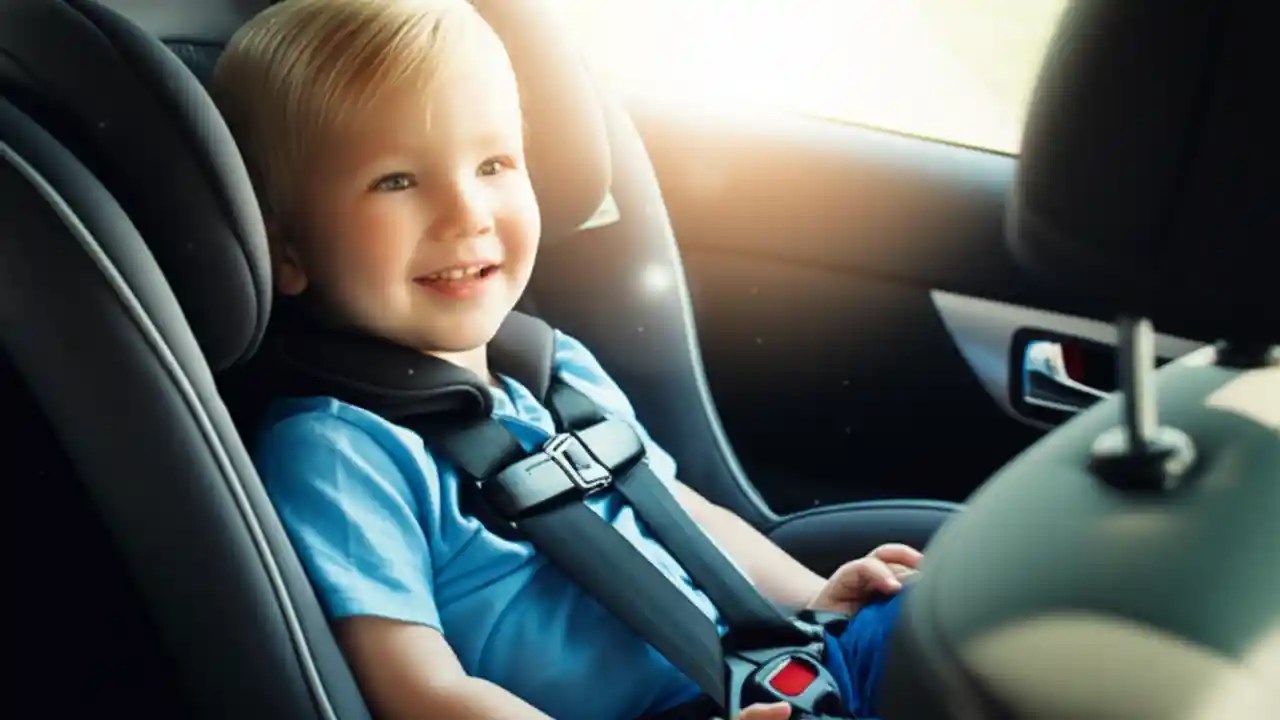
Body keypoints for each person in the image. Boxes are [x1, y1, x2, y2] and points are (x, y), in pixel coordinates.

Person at [211, 1, 921, 718]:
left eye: (493, 164)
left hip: (775, 671)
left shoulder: (558, 372)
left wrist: (812, 600)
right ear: (288, 248)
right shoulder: (338, 451)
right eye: (396, 180)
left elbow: (682, 515)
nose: (468, 212)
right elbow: (420, 692)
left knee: (952, 614)